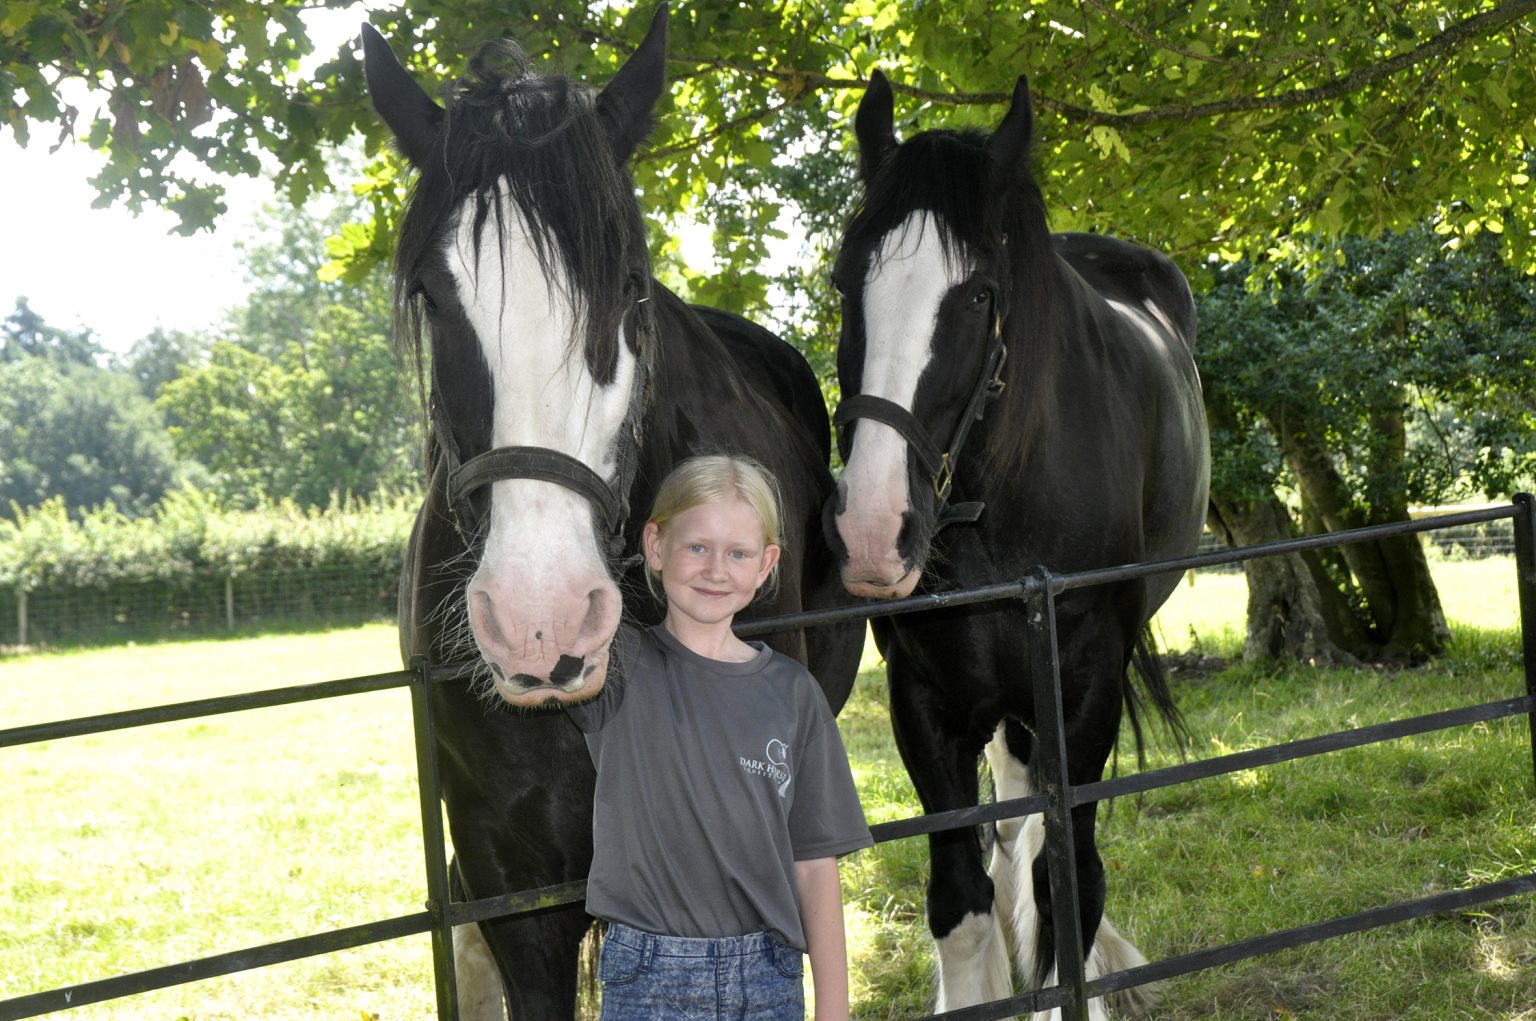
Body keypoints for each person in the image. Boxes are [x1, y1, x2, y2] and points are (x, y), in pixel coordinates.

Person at [564, 453, 872, 1021]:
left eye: (738, 553)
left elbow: (814, 865)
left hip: (769, 977)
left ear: (766, 564)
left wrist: (834, 1007)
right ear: (656, 546)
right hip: (647, 977)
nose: (715, 569)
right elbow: (554, 608)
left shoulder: (794, 694)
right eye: (697, 547)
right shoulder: (615, 663)